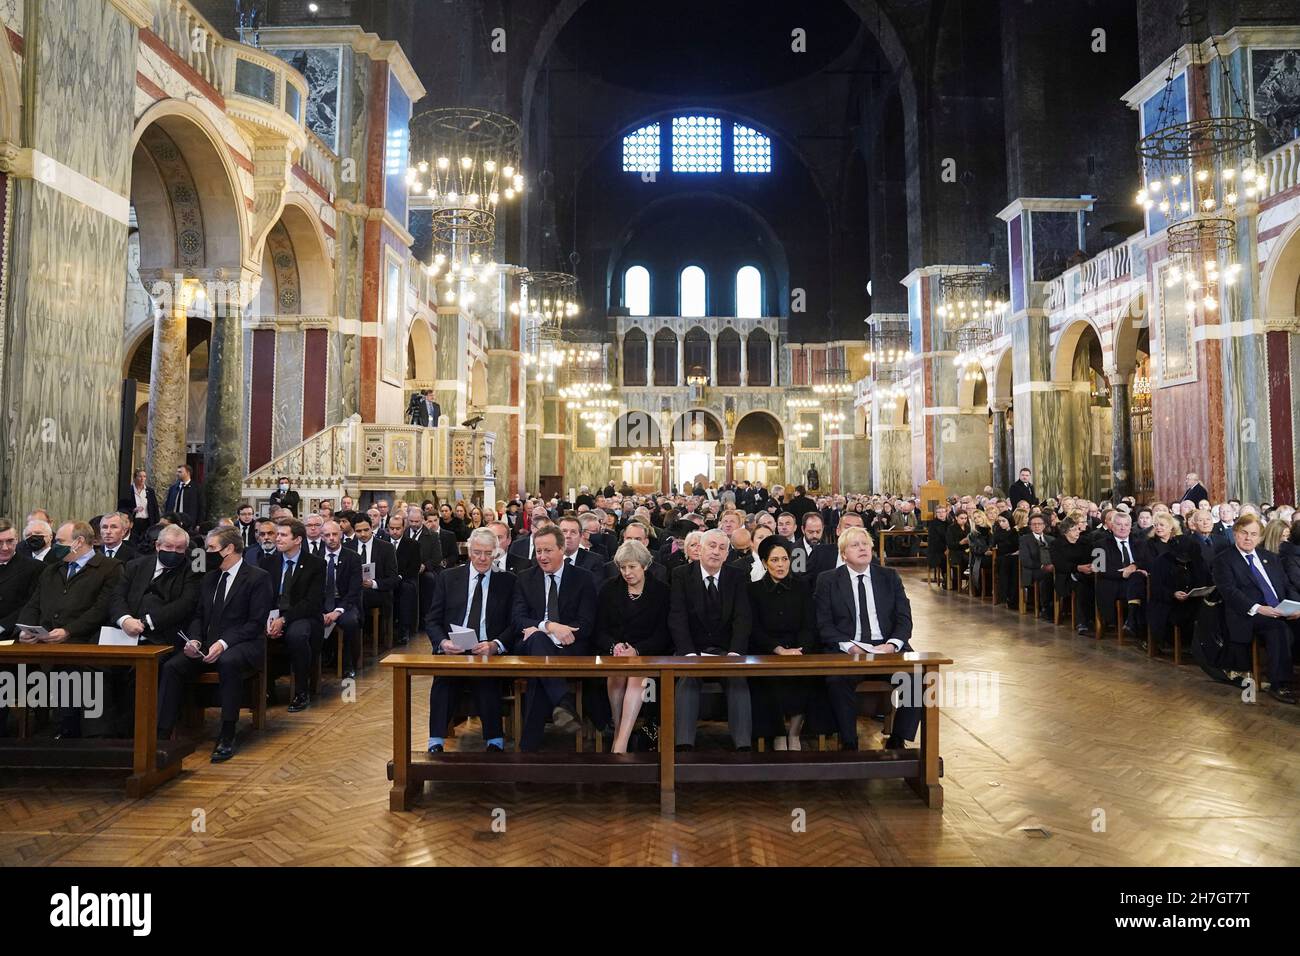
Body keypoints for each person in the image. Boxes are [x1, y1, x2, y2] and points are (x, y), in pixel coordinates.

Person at [157, 527, 274, 761]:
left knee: (228, 663)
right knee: (172, 666)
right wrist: (195, 639)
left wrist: (223, 643)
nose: (206, 553)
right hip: (207, 644)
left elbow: (255, 623)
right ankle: (162, 733)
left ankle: (227, 733)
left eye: (211, 548)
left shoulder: (258, 577)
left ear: (228, 549)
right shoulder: (209, 577)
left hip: (243, 644)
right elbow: (198, 615)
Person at [813, 527, 920, 750]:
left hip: (887, 651)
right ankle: (850, 743)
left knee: (918, 680)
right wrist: (851, 647)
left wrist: (892, 645)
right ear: (844, 554)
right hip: (849, 652)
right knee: (836, 681)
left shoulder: (889, 577)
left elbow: (904, 619)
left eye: (865, 544)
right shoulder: (828, 580)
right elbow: (824, 624)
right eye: (855, 545)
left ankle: (898, 740)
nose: (862, 548)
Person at [17, 521, 124, 737]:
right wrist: (25, 629)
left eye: (60, 541)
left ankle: (77, 736)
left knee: (73, 672)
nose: (55, 545)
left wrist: (68, 631)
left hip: (86, 644)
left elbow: (101, 609)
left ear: (79, 542)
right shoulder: (51, 570)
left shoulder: (110, 568)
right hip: (46, 645)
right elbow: (33, 604)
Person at [426, 528, 516, 753]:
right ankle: (435, 741)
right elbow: (432, 620)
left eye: (488, 553)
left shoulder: (508, 581)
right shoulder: (449, 578)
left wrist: (496, 645)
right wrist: (443, 643)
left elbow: (514, 624)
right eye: (477, 553)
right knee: (443, 682)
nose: (482, 558)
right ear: (469, 551)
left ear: (496, 552)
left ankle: (494, 741)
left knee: (487, 680)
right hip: (453, 649)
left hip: (487, 650)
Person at [511, 527, 598, 750]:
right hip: (530, 647)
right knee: (539, 642)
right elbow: (518, 619)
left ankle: (528, 748)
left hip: (571, 648)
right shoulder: (525, 578)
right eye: (538, 551)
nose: (542, 556)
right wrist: (549, 627)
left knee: (540, 674)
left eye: (548, 550)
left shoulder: (583, 578)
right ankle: (563, 703)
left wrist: (549, 632)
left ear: (562, 549)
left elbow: (586, 624)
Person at [668, 528, 753, 752]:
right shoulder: (681, 574)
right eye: (711, 546)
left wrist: (735, 653)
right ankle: (683, 745)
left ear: (727, 554)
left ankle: (743, 746)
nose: (716, 552)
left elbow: (742, 618)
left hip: (726, 651)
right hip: (692, 649)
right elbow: (677, 617)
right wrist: (688, 654)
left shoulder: (736, 576)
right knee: (687, 677)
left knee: (738, 680)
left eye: (722, 548)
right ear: (700, 549)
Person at [1211, 515, 1299, 703]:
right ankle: (1279, 684)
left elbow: (1287, 585)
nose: (1249, 538)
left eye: (1254, 534)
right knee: (1278, 629)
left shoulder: (1270, 558)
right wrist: (1259, 608)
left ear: (1260, 537)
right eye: (1244, 533)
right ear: (1235, 533)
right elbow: (1230, 592)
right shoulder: (1224, 560)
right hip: (1248, 614)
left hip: (1280, 610)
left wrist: (1297, 606)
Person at [595, 540, 670, 753]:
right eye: (622, 567)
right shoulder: (609, 589)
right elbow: (599, 630)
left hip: (649, 657)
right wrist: (614, 646)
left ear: (644, 566)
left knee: (636, 673)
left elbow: (664, 634)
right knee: (618, 672)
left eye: (632, 567)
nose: (626, 572)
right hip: (615, 657)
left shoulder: (662, 592)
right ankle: (620, 731)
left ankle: (620, 744)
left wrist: (637, 650)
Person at [748, 535, 817, 751]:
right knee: (768, 681)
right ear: (765, 563)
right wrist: (777, 649)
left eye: (785, 559)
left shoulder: (803, 586)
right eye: (775, 560)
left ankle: (794, 732)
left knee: (808, 678)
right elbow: (754, 628)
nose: (780, 565)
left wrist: (800, 649)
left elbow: (810, 624)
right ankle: (777, 733)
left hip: (799, 648)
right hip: (767, 650)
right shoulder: (753, 590)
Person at [265, 517, 325, 712]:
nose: (277, 539)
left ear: (298, 540)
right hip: (274, 614)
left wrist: (284, 620)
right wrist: (270, 620)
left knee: (296, 635)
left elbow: (311, 602)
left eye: (283, 535)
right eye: (277, 535)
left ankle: (301, 691)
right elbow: (262, 595)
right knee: (255, 634)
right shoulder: (268, 562)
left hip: (303, 616)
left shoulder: (315, 564)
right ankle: (266, 690)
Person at [319, 520, 363, 679]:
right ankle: (319, 661)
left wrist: (337, 611)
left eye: (334, 534)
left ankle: (348, 664)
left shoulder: (353, 558)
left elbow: (354, 590)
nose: (331, 538)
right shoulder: (314, 558)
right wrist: (320, 611)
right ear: (321, 537)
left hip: (345, 603)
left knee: (350, 622)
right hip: (320, 604)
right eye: (327, 535)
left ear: (341, 535)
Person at [1094, 511, 1149, 638]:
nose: (1123, 528)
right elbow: (1099, 568)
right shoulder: (1099, 544)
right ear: (1112, 526)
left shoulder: (1141, 542)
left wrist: (1134, 566)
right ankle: (1140, 630)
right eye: (1119, 524)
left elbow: (1147, 562)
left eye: (1126, 525)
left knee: (1142, 583)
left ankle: (1132, 622)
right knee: (1140, 587)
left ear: (1131, 526)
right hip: (1113, 583)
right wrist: (1123, 574)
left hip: (1136, 583)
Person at [1048, 515, 1096, 636]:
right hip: (1065, 577)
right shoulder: (1056, 544)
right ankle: (1082, 623)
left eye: (1078, 529)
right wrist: (1078, 568)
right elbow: (1059, 565)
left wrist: (1090, 566)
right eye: (1073, 530)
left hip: (1086, 574)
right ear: (1065, 532)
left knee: (1096, 584)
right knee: (1080, 586)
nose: (1077, 532)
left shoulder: (1084, 542)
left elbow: (1092, 557)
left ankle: (1096, 619)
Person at [1018, 513, 1055, 618]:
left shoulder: (1051, 539)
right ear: (1030, 526)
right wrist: (1042, 566)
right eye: (1034, 524)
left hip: (1051, 568)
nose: (1037, 526)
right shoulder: (1025, 539)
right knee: (1046, 577)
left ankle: (1060, 607)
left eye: (1039, 524)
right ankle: (1046, 608)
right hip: (1033, 570)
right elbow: (1025, 561)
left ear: (1044, 525)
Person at [118, 469, 159, 538]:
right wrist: (133, 510)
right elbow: (122, 508)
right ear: (134, 478)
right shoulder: (128, 490)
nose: (142, 479)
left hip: (147, 522)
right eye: (140, 476)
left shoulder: (150, 491)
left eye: (144, 476)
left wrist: (157, 523)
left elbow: (155, 507)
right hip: (134, 522)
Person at [163, 464, 204, 529]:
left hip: (188, 524)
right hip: (172, 523)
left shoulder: (196, 488)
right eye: (177, 472)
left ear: (188, 473)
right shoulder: (173, 488)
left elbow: (201, 507)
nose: (177, 474)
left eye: (180, 472)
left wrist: (199, 524)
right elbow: (167, 505)